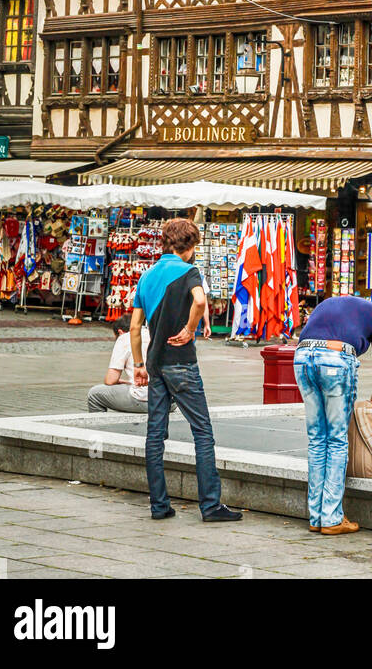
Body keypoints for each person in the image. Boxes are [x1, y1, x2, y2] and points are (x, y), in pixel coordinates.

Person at [130, 217, 241, 523]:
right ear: (190, 246)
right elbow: (201, 300)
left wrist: (139, 364)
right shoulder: (189, 271)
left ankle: (159, 505)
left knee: (155, 435)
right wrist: (190, 329)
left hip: (155, 363)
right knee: (202, 432)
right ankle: (210, 505)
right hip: (181, 362)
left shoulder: (147, 275)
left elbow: (135, 328)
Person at [294, 294, 372, 536]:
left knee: (317, 439)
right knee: (337, 440)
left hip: (301, 357)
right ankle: (331, 517)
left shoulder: (327, 304)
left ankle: (316, 516)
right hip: (335, 359)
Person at [87, 317, 151, 413]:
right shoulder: (153, 333)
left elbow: (110, 380)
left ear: (120, 332)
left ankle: (99, 427)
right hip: (169, 402)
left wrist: (121, 381)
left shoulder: (124, 338)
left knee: (94, 394)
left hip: (145, 400)